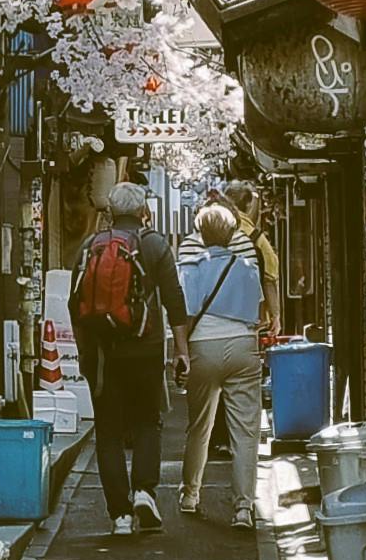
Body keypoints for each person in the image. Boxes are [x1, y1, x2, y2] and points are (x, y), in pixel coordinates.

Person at [70, 179, 188, 534]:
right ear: (143, 211)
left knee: (107, 432)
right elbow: (174, 299)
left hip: (103, 355)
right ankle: (143, 492)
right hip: (146, 351)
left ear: (109, 212)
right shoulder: (154, 245)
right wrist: (182, 351)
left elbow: (76, 306)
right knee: (146, 421)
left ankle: (120, 515)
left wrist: (85, 353)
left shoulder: (90, 246)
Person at [177, 198, 270, 528]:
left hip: (203, 346)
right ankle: (243, 508)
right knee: (245, 432)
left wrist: (180, 351)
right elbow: (259, 312)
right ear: (232, 233)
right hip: (243, 347)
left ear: (200, 233)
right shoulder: (246, 267)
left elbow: (186, 313)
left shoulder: (192, 268)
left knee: (199, 426)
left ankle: (190, 493)